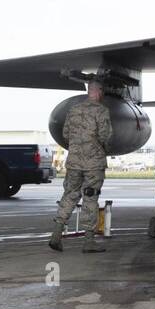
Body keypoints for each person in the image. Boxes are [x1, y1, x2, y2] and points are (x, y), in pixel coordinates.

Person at [49, 80, 112, 252]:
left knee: (69, 195)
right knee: (90, 198)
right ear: (99, 91)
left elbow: (65, 134)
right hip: (93, 164)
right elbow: (105, 136)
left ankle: (56, 235)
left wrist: (77, 147)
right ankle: (89, 241)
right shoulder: (101, 111)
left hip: (74, 162)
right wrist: (100, 149)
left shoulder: (73, 110)